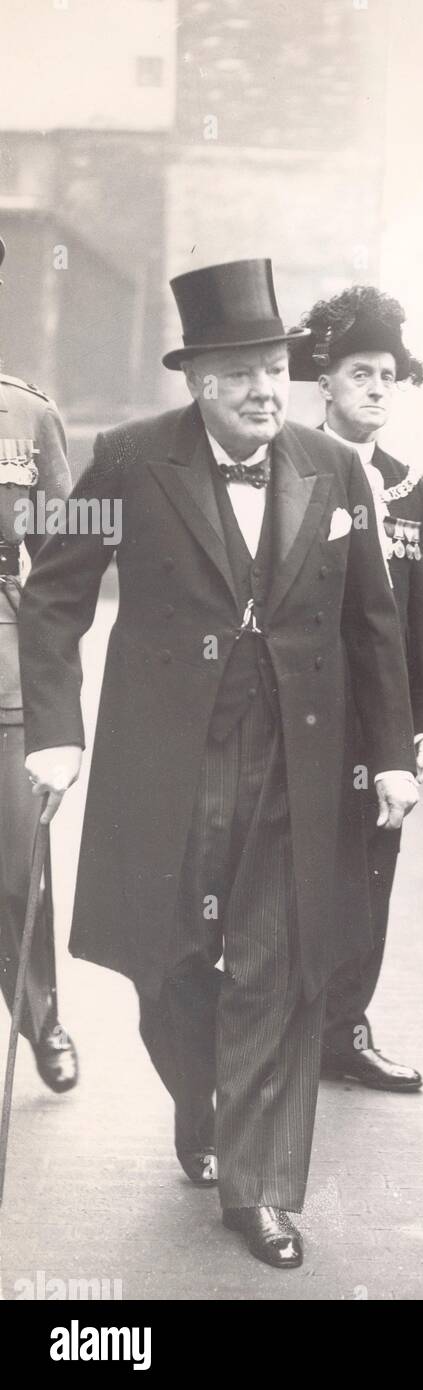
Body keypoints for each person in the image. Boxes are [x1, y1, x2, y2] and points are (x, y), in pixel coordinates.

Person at [17, 258, 417, 1270]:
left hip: (301, 760)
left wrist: (394, 754)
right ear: (195, 379)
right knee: (170, 962)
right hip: (169, 765)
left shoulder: (335, 467)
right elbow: (55, 596)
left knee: (277, 968)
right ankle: (203, 1106)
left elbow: (374, 626)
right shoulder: (122, 460)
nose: (260, 391)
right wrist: (55, 729)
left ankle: (259, 1184)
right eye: (236, 373)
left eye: (272, 368)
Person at [291, 287, 423, 1094]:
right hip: (298, 708)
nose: (378, 388)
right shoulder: (286, 463)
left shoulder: (404, 483)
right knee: (290, 869)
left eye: (389, 374)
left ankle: (345, 1029)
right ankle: (284, 1026)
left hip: (377, 715)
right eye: (361, 372)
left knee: (373, 867)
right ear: (325, 381)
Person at [0, 231, 79, 1094]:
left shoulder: (25, 413)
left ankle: (40, 1016)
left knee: (17, 867)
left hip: (4, 664)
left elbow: (69, 557)